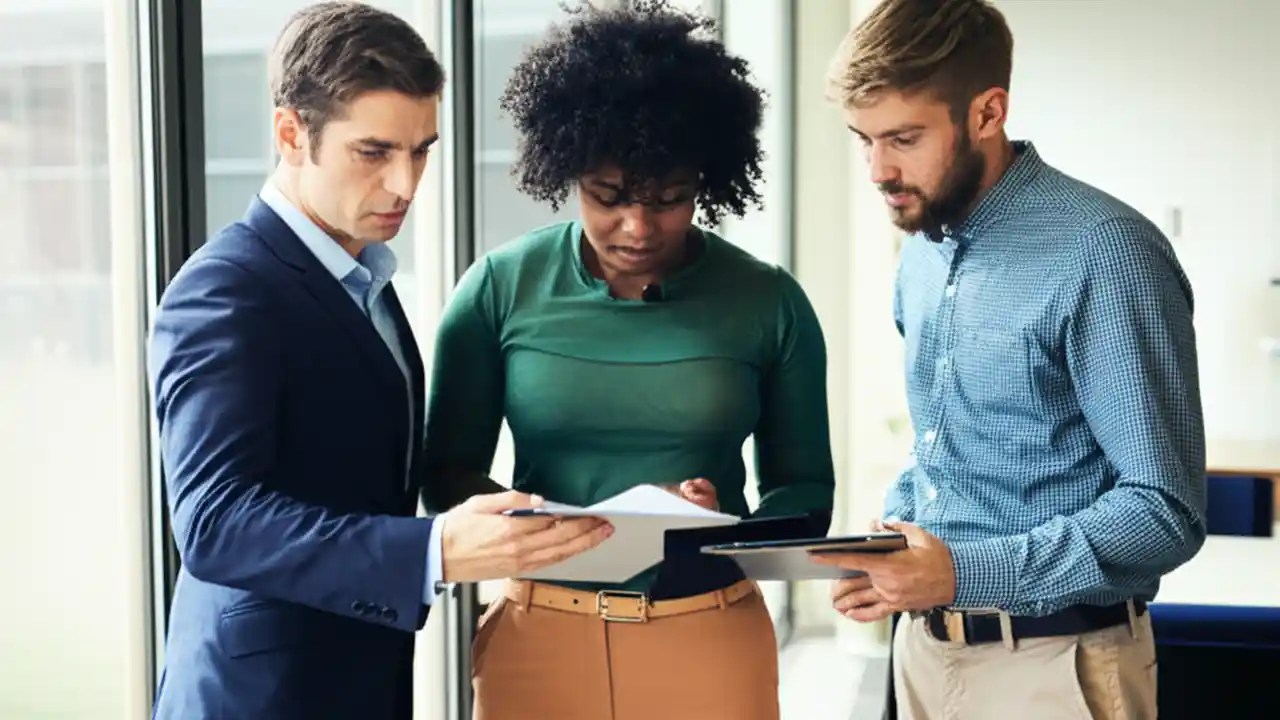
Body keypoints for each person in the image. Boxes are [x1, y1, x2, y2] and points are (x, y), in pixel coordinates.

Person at [146, 3, 612, 718]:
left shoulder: (363, 279)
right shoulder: (226, 289)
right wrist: (434, 550)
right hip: (258, 698)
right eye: (374, 153)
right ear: (290, 133)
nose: (406, 184)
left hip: (358, 681)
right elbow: (216, 522)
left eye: (421, 150)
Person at [420, 2, 836, 718]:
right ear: (567, 169)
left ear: (707, 179)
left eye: (671, 198)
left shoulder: (769, 301)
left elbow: (804, 496)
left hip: (709, 636)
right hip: (538, 639)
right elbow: (445, 478)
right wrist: (548, 524)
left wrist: (722, 531)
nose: (638, 226)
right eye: (608, 196)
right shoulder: (497, 288)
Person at [811, 1, 1207, 718]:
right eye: (863, 140)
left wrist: (960, 572)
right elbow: (948, 453)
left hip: (1057, 668)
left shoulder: (1106, 253)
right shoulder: (922, 251)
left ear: (988, 113)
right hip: (924, 654)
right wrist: (890, 547)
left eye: (903, 138)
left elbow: (1165, 511)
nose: (877, 169)